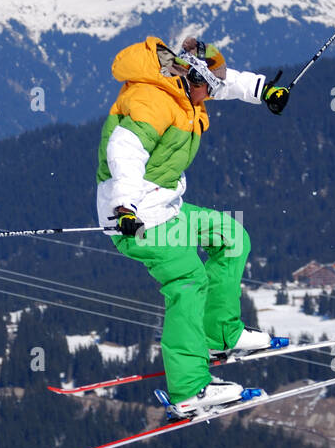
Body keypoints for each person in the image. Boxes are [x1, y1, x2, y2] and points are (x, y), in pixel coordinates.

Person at [96, 36, 289, 416]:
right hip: (135, 215)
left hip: (165, 206)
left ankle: (220, 335)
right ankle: (189, 389)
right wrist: (126, 207)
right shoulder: (154, 100)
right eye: (208, 89)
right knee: (188, 280)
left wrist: (265, 91)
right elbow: (124, 151)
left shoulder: (185, 85)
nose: (211, 95)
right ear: (189, 78)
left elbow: (227, 81)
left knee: (230, 236)